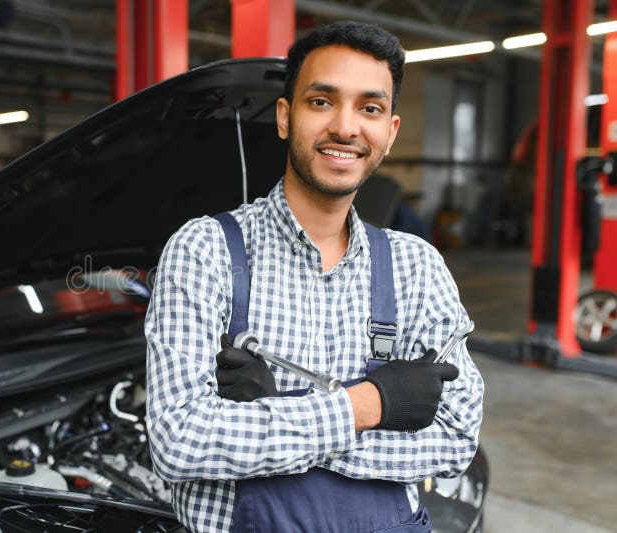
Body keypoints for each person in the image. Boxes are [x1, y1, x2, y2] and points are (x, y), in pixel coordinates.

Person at [145, 21, 484, 532]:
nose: (346, 128)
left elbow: (457, 437)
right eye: (321, 102)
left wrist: (274, 420)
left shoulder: (416, 265)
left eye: (369, 108)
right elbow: (179, 442)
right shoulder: (205, 251)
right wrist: (369, 404)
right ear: (285, 117)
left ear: (390, 133)